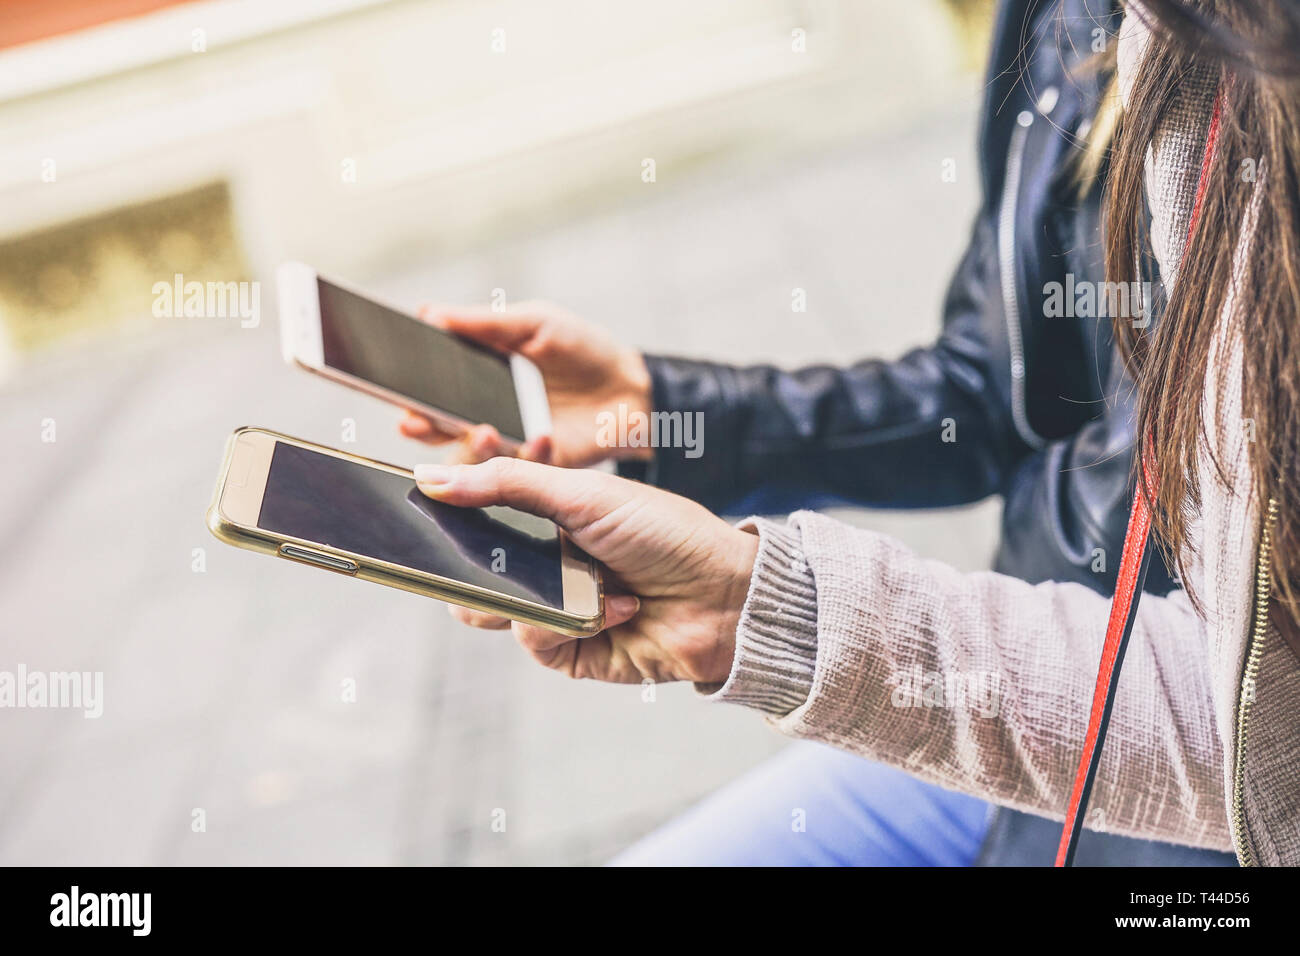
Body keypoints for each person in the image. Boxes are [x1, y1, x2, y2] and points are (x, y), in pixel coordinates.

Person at [403, 0, 1299, 865]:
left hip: (1189, 796)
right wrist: (663, 409)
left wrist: (752, 610)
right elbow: (989, 392)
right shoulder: (1067, 14)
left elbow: (1256, 735)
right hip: (1017, 693)